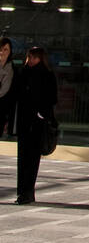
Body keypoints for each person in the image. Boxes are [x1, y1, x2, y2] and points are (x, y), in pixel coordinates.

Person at [9, 45, 57, 204]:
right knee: (23, 158)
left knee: (32, 158)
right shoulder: (23, 73)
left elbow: (51, 98)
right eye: (29, 57)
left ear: (41, 58)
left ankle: (27, 192)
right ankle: (23, 192)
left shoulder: (46, 75)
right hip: (23, 121)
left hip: (37, 123)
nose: (31, 60)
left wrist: (41, 114)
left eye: (34, 57)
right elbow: (15, 94)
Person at [0, 38, 16, 138]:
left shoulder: (11, 68)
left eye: (5, 49)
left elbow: (5, 90)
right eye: (1, 49)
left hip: (2, 108)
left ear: (10, 51)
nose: (2, 52)